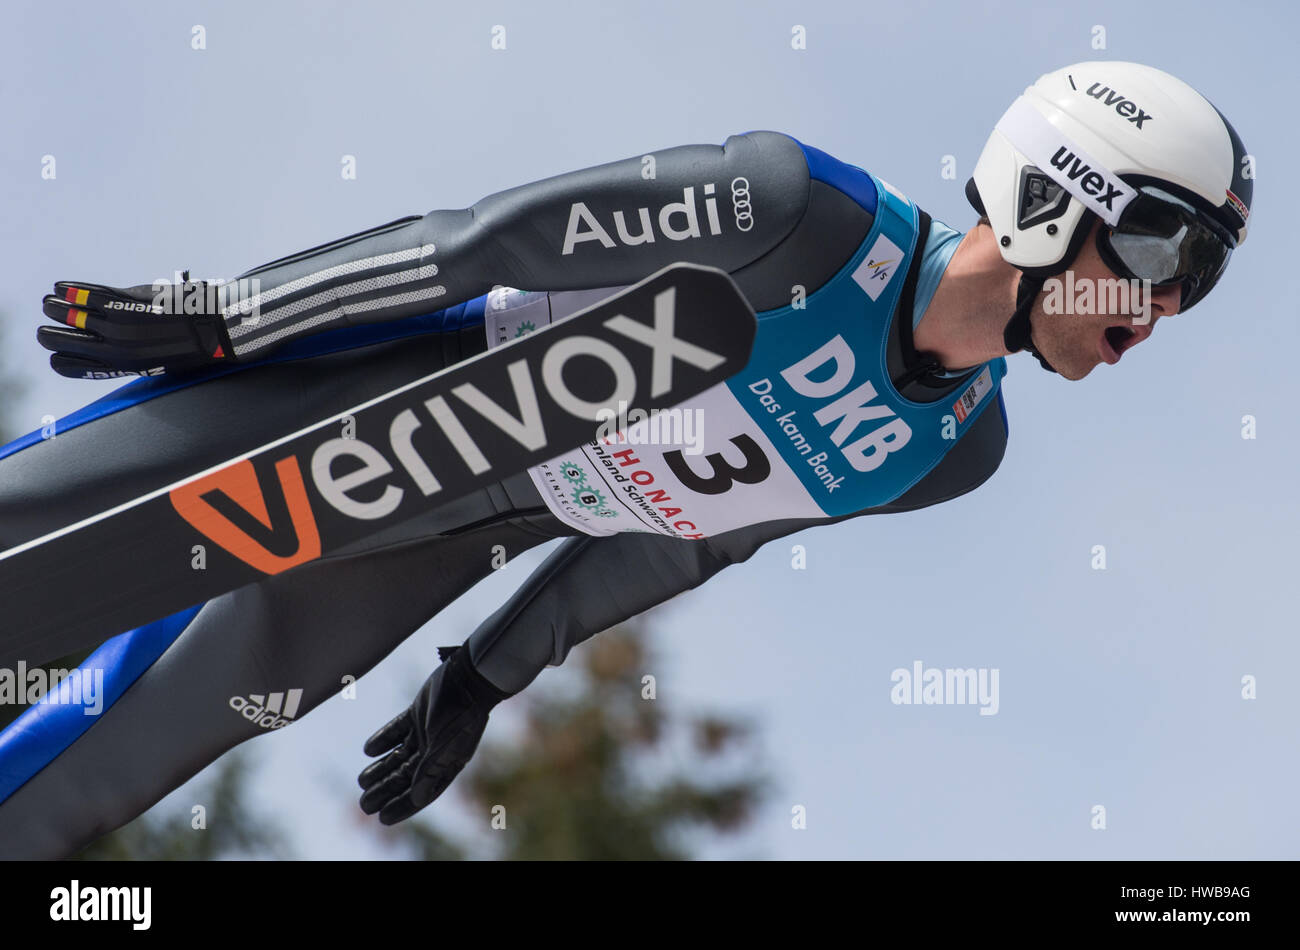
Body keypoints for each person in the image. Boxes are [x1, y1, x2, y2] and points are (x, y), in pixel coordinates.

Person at [0, 60, 1252, 857]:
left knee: (88, 780)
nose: (1153, 318)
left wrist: (485, 673)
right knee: (25, 522)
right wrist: (235, 314)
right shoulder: (796, 213)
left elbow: (681, 542)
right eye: (1155, 260)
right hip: (365, 392)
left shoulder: (950, 449)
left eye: (1189, 291)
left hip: (431, 546)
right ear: (1054, 193)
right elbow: (477, 246)